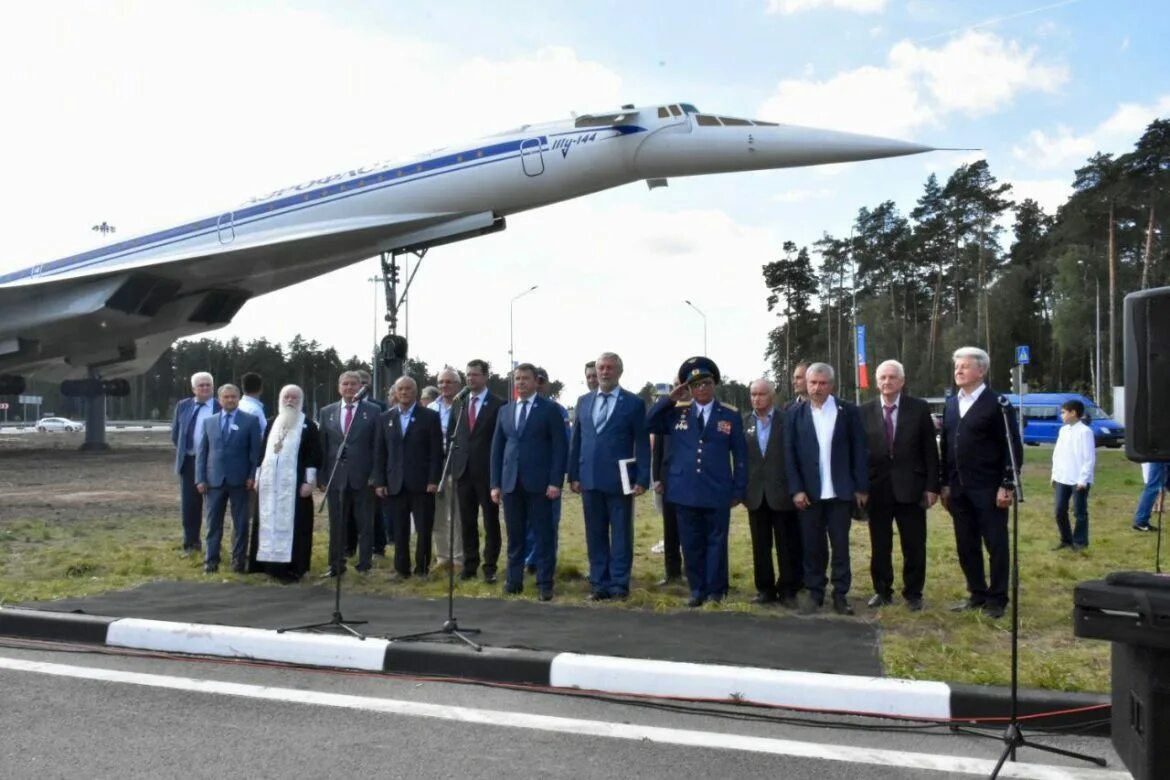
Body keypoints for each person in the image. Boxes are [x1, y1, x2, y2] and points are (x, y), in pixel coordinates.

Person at [646, 357, 747, 608]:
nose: (701, 388)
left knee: (716, 542)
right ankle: (697, 589)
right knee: (691, 543)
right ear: (688, 388)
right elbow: (648, 422)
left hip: (717, 490)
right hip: (684, 491)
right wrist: (670, 398)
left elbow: (741, 457)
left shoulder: (730, 415)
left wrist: (738, 489)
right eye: (696, 384)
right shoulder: (677, 412)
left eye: (706, 383)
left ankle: (716, 590)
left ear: (715, 385)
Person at [939, 346, 1023, 620]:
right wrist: (945, 483)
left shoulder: (998, 403)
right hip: (958, 488)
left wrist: (1007, 483)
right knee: (966, 544)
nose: (958, 371)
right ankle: (977, 593)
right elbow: (945, 446)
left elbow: (1012, 445)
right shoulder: (951, 403)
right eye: (956, 367)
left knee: (996, 544)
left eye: (964, 366)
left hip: (989, 487)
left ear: (981, 370)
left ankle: (997, 599)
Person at [784, 362, 868, 615]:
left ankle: (841, 594)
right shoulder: (794, 414)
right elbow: (790, 456)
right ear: (806, 384)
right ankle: (814, 593)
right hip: (809, 495)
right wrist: (796, 490)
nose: (817, 388)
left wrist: (861, 487)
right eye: (813, 383)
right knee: (812, 547)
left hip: (841, 493)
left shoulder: (848, 412)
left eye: (822, 383)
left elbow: (859, 451)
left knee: (840, 546)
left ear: (832, 385)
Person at [569, 352, 650, 601]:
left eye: (609, 368)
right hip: (589, 478)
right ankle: (599, 583)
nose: (604, 372)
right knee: (595, 533)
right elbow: (577, 440)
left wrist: (643, 478)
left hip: (620, 480)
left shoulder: (633, 403)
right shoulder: (583, 401)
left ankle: (618, 584)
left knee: (621, 534)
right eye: (601, 368)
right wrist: (573, 474)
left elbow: (642, 443)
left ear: (619, 372)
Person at [860, 360, 939, 611]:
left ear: (902, 381)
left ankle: (913, 593)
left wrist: (932, 486)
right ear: (876, 381)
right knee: (880, 544)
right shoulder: (864, 411)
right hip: (878, 489)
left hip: (912, 488)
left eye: (892, 377)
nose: (887, 381)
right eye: (882, 377)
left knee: (914, 544)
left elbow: (930, 451)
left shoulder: (919, 409)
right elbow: (859, 453)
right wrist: (860, 487)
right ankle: (882, 591)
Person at [490, 363, 568, 600]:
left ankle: (545, 583)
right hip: (511, 483)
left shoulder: (550, 409)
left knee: (543, 536)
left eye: (525, 378)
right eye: (517, 379)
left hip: (541, 484)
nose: (521, 382)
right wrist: (495, 483)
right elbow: (497, 449)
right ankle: (514, 582)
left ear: (536, 381)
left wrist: (555, 481)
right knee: (515, 535)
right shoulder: (505, 411)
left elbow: (560, 448)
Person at [374, 376, 444, 579]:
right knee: (399, 529)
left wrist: (434, 479)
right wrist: (380, 481)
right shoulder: (385, 418)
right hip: (395, 483)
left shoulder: (430, 417)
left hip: (422, 484)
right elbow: (380, 453)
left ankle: (422, 569)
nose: (404, 392)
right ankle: (401, 569)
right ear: (395, 393)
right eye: (400, 389)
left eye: (408, 389)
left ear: (415, 392)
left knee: (423, 529)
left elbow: (436, 452)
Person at [743, 378, 802, 608]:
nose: (756, 399)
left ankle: (788, 589)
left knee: (787, 545)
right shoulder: (744, 422)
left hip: (783, 493)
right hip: (756, 494)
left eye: (761, 394)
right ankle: (765, 589)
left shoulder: (787, 421)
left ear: (772, 396)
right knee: (760, 544)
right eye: (753, 394)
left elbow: (795, 457)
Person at [255, 385, 322, 581]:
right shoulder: (271, 423)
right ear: (280, 399)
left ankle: (294, 568)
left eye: (294, 397)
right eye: (286, 397)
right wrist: (258, 477)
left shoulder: (308, 425)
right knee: (268, 521)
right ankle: (268, 565)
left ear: (300, 401)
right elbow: (262, 452)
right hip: (270, 486)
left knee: (296, 525)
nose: (290, 401)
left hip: (295, 487)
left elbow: (314, 455)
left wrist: (309, 482)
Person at [318, 370, 380, 576]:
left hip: (363, 478)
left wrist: (375, 475)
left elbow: (377, 446)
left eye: (353, 384)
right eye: (345, 384)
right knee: (337, 524)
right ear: (339, 387)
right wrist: (323, 477)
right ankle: (335, 565)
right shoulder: (327, 412)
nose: (349, 388)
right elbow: (324, 447)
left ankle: (364, 565)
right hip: (336, 478)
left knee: (365, 525)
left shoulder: (372, 411)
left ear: (359, 387)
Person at [195, 384, 262, 574]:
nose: (230, 400)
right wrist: (200, 478)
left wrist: (252, 476)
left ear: (239, 398)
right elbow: (202, 453)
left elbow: (255, 453)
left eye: (233, 397)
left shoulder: (250, 421)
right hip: (213, 481)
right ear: (219, 399)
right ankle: (211, 560)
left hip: (240, 482)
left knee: (241, 524)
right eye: (226, 397)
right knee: (213, 524)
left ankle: (239, 561)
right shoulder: (209, 422)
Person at [453, 359, 505, 583]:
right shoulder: (460, 403)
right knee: (467, 521)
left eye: (474, 374)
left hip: (487, 471)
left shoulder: (498, 404)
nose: (470, 378)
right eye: (467, 375)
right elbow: (452, 436)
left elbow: (500, 441)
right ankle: (470, 565)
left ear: (485, 377)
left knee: (490, 521)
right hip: (463, 472)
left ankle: (490, 566)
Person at [525, 366, 571, 573]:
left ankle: (545, 562)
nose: (539, 385)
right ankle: (529, 561)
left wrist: (557, 476)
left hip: (548, 476)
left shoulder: (557, 410)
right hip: (525, 477)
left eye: (543, 381)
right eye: (538, 380)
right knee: (526, 523)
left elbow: (563, 445)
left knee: (548, 522)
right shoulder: (517, 407)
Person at [170, 372, 219, 557]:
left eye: (208, 385)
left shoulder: (220, 406)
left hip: (213, 464)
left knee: (214, 505)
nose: (205, 388)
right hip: (189, 462)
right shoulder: (183, 406)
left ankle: (213, 545)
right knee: (190, 506)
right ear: (193, 389)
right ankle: (191, 544)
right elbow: (176, 434)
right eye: (201, 385)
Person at [1050, 399, 1096, 550]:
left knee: (1079, 512)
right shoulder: (1063, 430)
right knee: (1059, 510)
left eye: (1064, 412)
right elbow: (1057, 454)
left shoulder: (1085, 432)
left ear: (1073, 413)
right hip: (1062, 477)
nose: (1061, 415)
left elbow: (1089, 458)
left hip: (1078, 479)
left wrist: (1083, 480)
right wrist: (1054, 475)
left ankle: (1080, 542)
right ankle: (1066, 539)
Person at [431, 368, 465, 570]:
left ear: (458, 385)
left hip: (457, 467)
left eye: (449, 382)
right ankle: (442, 557)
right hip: (436, 467)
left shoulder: (463, 407)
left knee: (458, 516)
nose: (444, 386)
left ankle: (459, 558)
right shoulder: (431, 408)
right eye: (441, 382)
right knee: (438, 516)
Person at [357, 369, 389, 559]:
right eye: (357, 381)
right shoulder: (343, 408)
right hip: (351, 467)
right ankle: (350, 547)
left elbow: (382, 440)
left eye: (363, 382)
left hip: (372, 468)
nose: (359, 385)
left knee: (374, 511)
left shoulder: (379, 407)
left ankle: (378, 547)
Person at [1132, 462, 1166, 532]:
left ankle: (1141, 521)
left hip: (1159, 455)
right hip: (1161, 455)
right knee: (1153, 486)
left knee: (1153, 485)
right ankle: (1141, 521)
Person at [238, 372, 267, 437]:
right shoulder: (255, 411)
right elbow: (263, 436)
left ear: (242, 387)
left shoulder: (237, 406)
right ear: (261, 389)